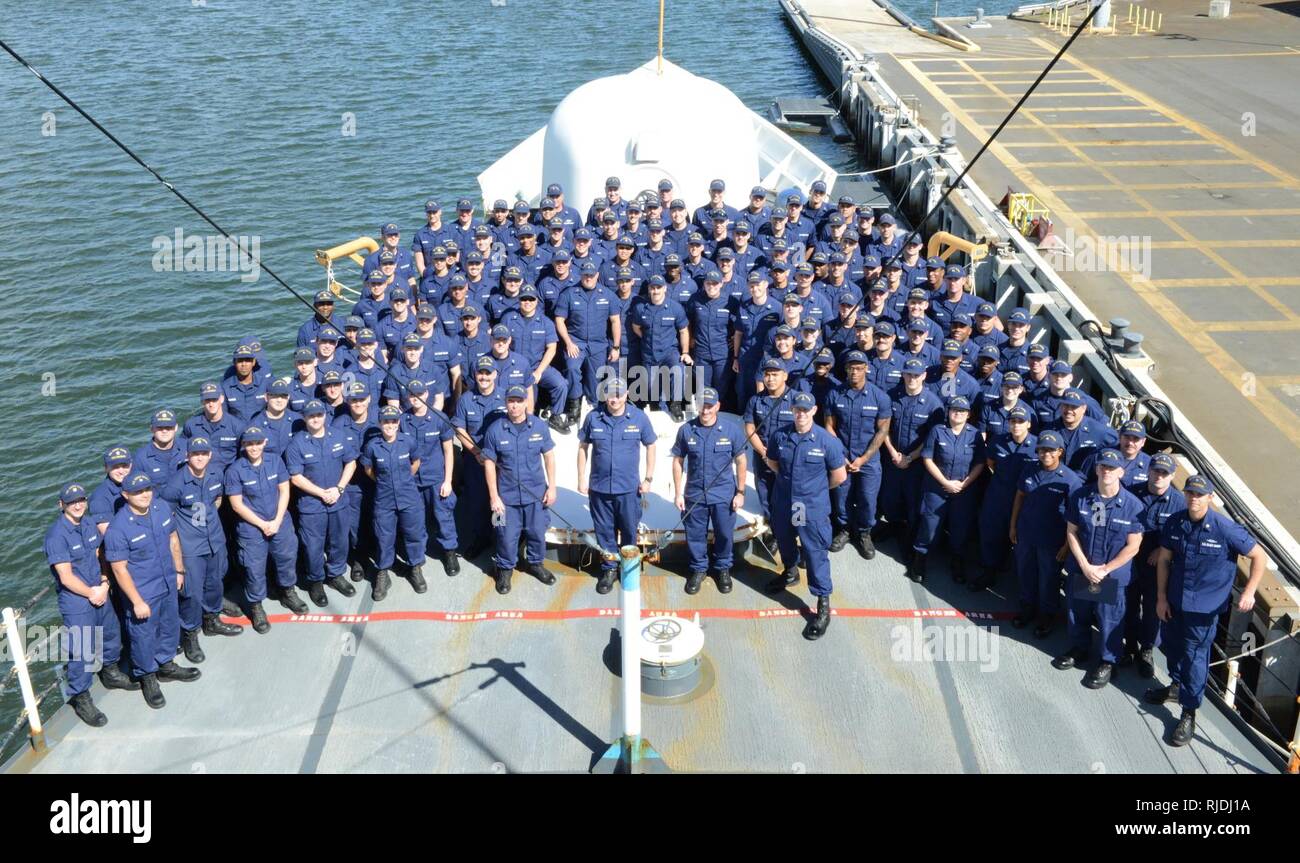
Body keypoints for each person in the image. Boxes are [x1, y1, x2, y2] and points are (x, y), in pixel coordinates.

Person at [1146, 474, 1268, 746]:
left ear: (1210, 498)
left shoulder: (1226, 529)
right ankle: (1176, 687)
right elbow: (1165, 559)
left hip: (1203, 611)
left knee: (1194, 659)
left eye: (1200, 494)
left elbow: (1259, 556)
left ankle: (1188, 712)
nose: (1193, 498)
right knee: (1172, 647)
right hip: (1175, 602)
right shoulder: (1176, 522)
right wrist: (1161, 598)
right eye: (1190, 493)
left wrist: (1249, 591)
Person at [43, 481, 139, 726]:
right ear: (61, 505)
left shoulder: (88, 523)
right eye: (72, 502)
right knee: (82, 648)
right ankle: (81, 695)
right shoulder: (57, 535)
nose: (77, 505)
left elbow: (101, 556)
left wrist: (105, 583)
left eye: (81, 500)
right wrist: (91, 593)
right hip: (77, 599)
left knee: (111, 634)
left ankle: (110, 673)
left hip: (100, 589)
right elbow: (65, 576)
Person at [103, 472, 200, 709]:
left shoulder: (161, 508)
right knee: (142, 636)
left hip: (167, 580)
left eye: (147, 489)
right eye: (137, 491)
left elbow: (173, 539)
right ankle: (147, 675)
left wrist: (178, 571)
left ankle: (166, 664)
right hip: (143, 590)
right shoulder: (118, 529)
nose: (144, 495)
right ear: (125, 495)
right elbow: (119, 570)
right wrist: (136, 601)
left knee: (169, 625)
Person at [1052, 448, 1146, 691]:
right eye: (1103, 466)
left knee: (1109, 620)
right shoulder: (1082, 497)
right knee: (1078, 611)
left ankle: (1107, 661)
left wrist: (1104, 569)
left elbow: (1133, 546)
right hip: (1083, 568)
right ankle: (1080, 648)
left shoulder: (1133, 506)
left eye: (1112, 468)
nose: (1106, 471)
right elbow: (1071, 532)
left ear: (1121, 472)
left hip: (1111, 575)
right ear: (1096, 469)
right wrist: (1084, 564)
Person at [762, 392, 847, 641]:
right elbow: (773, 462)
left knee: (814, 551)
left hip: (809, 507)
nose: (800, 414)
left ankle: (822, 604)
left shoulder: (826, 442)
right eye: (797, 410)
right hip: (785, 502)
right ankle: (790, 572)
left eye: (805, 410)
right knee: (786, 541)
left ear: (813, 411)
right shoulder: (781, 436)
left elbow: (839, 477)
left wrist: (816, 491)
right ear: (792, 410)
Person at [159, 436, 243, 660]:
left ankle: (212, 620)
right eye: (195, 454)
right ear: (188, 456)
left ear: (210, 455)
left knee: (215, 583)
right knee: (192, 593)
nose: (199, 457)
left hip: (214, 540)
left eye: (203, 453)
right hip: (191, 548)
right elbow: (166, 519)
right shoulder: (176, 485)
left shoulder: (216, 475)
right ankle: (190, 633)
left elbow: (217, 499)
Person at [577, 379, 657, 593]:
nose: (614, 399)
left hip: (628, 489)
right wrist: (581, 478)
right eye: (610, 394)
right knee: (604, 532)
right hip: (599, 488)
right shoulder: (593, 417)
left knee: (630, 530)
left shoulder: (639, 418)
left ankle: (629, 567)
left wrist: (648, 478)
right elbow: (583, 448)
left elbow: (651, 446)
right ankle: (609, 569)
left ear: (626, 394)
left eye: (619, 394)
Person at [225, 425, 303, 632]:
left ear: (264, 443)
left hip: (279, 521)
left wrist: (277, 521)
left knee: (286, 558)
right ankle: (256, 605)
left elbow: (285, 490)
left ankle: (288, 592)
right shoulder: (235, 470)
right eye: (249, 444)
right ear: (243, 445)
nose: (254, 447)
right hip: (251, 528)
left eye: (257, 443)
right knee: (254, 568)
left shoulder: (275, 461)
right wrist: (262, 524)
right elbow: (236, 504)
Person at [482, 386, 558, 595]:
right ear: (506, 403)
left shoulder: (539, 427)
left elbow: (549, 456)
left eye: (518, 401)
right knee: (505, 535)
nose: (514, 405)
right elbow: (489, 464)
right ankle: (505, 569)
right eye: (510, 401)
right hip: (506, 498)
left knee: (537, 532)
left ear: (526, 402)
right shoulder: (495, 430)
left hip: (535, 494)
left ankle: (535, 564)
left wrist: (552, 487)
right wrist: (494, 496)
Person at [671, 388, 747, 595]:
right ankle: (698, 569)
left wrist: (741, 492)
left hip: (724, 495)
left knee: (724, 533)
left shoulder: (731, 431)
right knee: (695, 535)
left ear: (717, 406)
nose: (705, 410)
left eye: (709, 406)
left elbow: (741, 461)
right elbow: (678, 461)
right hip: (695, 494)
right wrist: (678, 493)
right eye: (702, 405)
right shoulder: (686, 430)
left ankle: (723, 568)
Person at [285, 400, 359, 607]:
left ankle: (335, 575)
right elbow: (295, 477)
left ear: (325, 415)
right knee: (313, 546)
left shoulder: (338, 435)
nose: (316, 418)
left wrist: (339, 488)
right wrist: (321, 493)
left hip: (339, 500)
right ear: (305, 418)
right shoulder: (297, 444)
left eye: (319, 414)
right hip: (312, 505)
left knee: (339, 540)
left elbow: (351, 462)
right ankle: (315, 581)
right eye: (311, 415)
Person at [1009, 430, 1082, 635]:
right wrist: (1013, 526)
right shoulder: (1029, 469)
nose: (1045, 454)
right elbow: (1020, 496)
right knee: (1025, 572)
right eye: (1041, 450)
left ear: (1060, 451)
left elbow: (1076, 519)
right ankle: (1027, 608)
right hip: (1026, 534)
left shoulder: (1070, 480)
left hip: (1051, 541)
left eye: (1050, 450)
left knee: (1048, 578)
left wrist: (1067, 546)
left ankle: (1046, 615)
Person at [910, 396, 986, 584]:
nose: (957, 413)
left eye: (962, 411)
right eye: (954, 410)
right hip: (937, 488)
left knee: (960, 528)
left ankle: (957, 561)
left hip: (963, 490)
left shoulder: (975, 434)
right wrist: (945, 482)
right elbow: (927, 458)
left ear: (968, 415)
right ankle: (920, 559)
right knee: (929, 525)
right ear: (948, 412)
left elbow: (980, 463)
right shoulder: (937, 431)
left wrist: (965, 484)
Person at [824, 350, 892, 559]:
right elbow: (829, 426)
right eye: (851, 368)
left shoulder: (880, 397)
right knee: (841, 496)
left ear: (866, 370)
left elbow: (883, 430)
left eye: (859, 368)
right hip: (842, 457)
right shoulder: (834, 394)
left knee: (867, 498)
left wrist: (863, 458)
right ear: (845, 369)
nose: (855, 372)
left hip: (869, 460)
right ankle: (844, 530)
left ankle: (864, 533)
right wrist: (841, 456)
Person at [1124, 453, 1185, 676]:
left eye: (1165, 473)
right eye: (1156, 470)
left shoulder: (1179, 504)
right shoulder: (1131, 493)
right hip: (1130, 560)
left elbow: (1182, 535)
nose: (1159, 476)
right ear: (1149, 470)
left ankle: (1146, 650)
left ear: (1172, 476)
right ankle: (1128, 645)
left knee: (1152, 610)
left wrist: (1161, 549)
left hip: (1158, 567)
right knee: (1127, 604)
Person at [360, 405, 428, 600]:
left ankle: (414, 567)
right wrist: (385, 483)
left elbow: (415, 463)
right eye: (385, 421)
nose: (389, 425)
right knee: (384, 537)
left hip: (409, 496)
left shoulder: (408, 442)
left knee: (413, 533)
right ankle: (383, 572)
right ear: (380, 423)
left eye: (393, 421)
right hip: (384, 498)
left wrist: (404, 480)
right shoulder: (372, 446)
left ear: (398, 423)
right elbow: (368, 470)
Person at [878, 358, 945, 551]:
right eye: (908, 374)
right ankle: (893, 526)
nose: (912, 379)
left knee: (913, 502)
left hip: (916, 464)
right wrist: (893, 453)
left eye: (916, 375)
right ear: (903, 375)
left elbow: (931, 438)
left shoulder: (934, 404)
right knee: (890, 498)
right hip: (893, 459)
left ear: (924, 376)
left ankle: (908, 536)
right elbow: (884, 428)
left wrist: (910, 458)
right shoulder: (891, 396)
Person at [974, 405, 1036, 592]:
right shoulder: (998, 441)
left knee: (1018, 537)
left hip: (1025, 500)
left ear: (1029, 424)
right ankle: (989, 570)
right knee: (991, 533)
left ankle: (1011, 572)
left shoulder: (1037, 446)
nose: (1016, 425)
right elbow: (991, 463)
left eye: (1020, 421)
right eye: (1013, 421)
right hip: (998, 495)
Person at [401, 380, 460, 577]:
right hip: (412, 481)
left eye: (419, 394)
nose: (416, 398)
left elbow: (448, 451)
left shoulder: (439, 418)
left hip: (436, 478)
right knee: (415, 521)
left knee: (444, 516)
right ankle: (416, 560)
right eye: (411, 395)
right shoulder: (402, 421)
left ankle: (449, 551)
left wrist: (448, 480)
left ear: (426, 394)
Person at [554, 260, 622, 417]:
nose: (588, 278)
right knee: (572, 369)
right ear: (580, 275)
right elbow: (559, 320)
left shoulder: (608, 295)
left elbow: (615, 321)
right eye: (585, 275)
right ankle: (574, 406)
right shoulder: (569, 294)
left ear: (597, 275)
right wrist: (569, 343)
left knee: (595, 378)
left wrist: (616, 346)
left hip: (598, 344)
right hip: (576, 342)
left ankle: (594, 407)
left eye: (591, 275)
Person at [743, 358, 796, 521]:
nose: (770, 379)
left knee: (793, 496)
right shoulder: (755, 401)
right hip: (763, 456)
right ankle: (774, 529)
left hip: (788, 458)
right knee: (765, 494)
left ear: (785, 376)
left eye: (775, 374)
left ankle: (796, 529)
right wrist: (764, 453)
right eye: (767, 375)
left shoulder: (796, 400)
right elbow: (750, 429)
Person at [133, 409, 187, 486]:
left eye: (168, 427)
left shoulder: (187, 446)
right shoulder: (140, 458)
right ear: (152, 429)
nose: (164, 431)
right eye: (160, 427)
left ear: (176, 428)